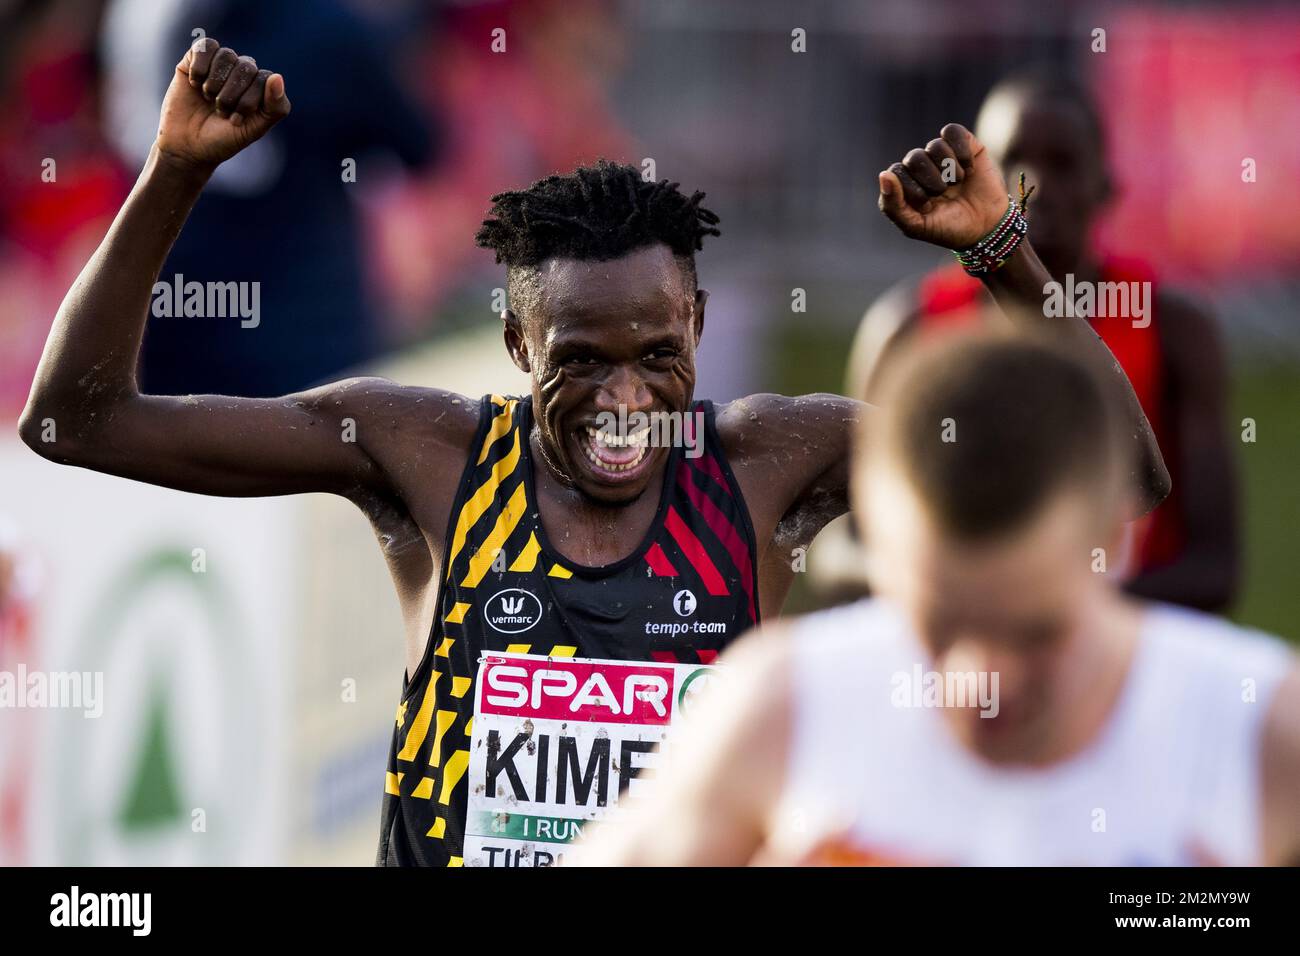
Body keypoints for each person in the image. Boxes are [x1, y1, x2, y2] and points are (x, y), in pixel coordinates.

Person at [19, 39, 1167, 866]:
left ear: (701, 329)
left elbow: (1115, 475)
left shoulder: (768, 464)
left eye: (658, 354)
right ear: (514, 340)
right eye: (579, 358)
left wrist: (999, 247)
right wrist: (173, 171)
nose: (624, 399)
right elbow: (74, 419)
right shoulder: (422, 455)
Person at [575, 331, 1299, 866]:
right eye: (938, 624)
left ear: (1119, 541)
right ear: (879, 557)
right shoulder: (783, 705)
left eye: (1036, 630)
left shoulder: (1258, 730)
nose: (985, 678)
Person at [826, 71, 1238, 612]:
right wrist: (955, 592)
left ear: (1107, 186)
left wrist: (1051, 611)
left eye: (1063, 163)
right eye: (1011, 160)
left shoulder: (1172, 325)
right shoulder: (907, 326)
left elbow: (1213, 570)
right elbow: (840, 556)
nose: (1034, 183)